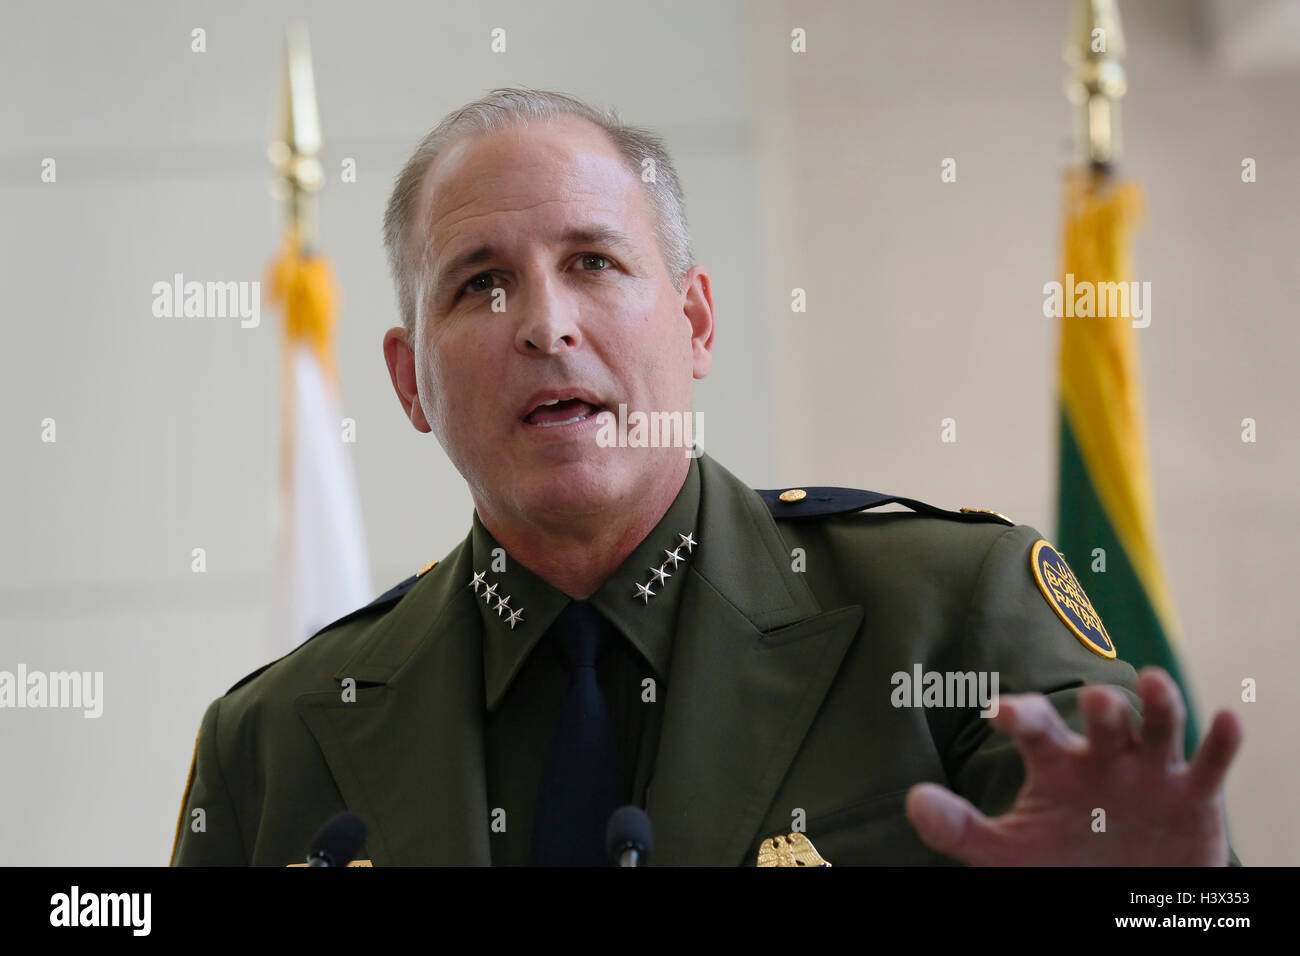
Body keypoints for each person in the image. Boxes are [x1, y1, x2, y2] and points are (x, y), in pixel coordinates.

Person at [171, 88, 1242, 867]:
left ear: (694, 322)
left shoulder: (952, 614)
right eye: (482, 284)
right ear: (411, 383)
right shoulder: (273, 740)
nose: (545, 322)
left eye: (592, 261)